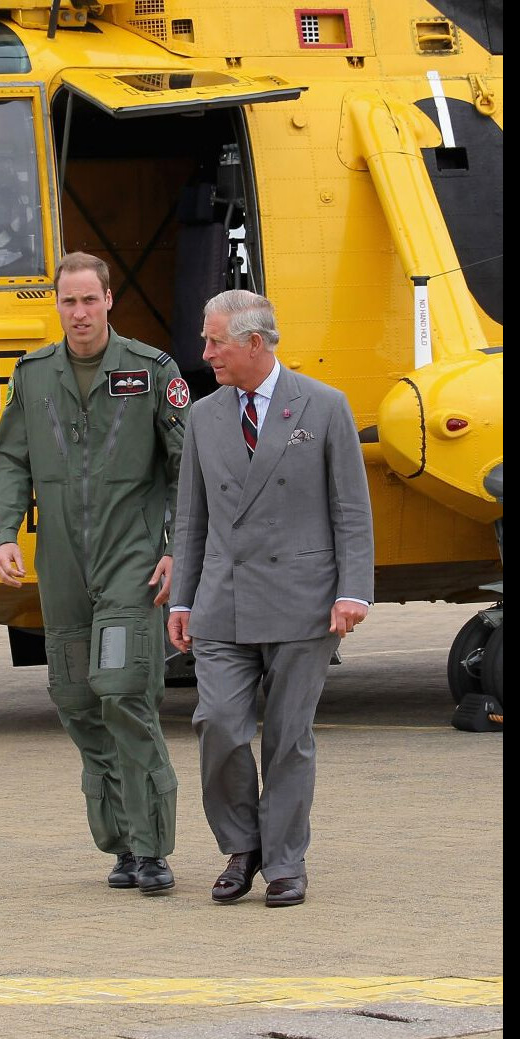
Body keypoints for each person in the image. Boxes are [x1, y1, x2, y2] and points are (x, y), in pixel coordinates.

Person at [0, 251, 190, 895]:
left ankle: (153, 847)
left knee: (122, 688)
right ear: (59, 306)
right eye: (68, 302)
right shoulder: (34, 376)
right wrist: (2, 532)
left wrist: (178, 545)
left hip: (130, 557)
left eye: (89, 300)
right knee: (75, 698)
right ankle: (122, 842)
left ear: (109, 300)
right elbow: (9, 459)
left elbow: (188, 467)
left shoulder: (152, 372)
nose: (79, 313)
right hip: (62, 563)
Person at [167, 290, 373, 908]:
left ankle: (285, 861)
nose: (205, 354)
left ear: (256, 342)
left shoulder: (326, 406)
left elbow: (350, 509)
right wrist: (182, 601)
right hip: (223, 601)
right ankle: (243, 844)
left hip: (303, 600)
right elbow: (191, 518)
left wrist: (353, 590)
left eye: (215, 342)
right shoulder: (204, 417)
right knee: (218, 727)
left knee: (288, 736)